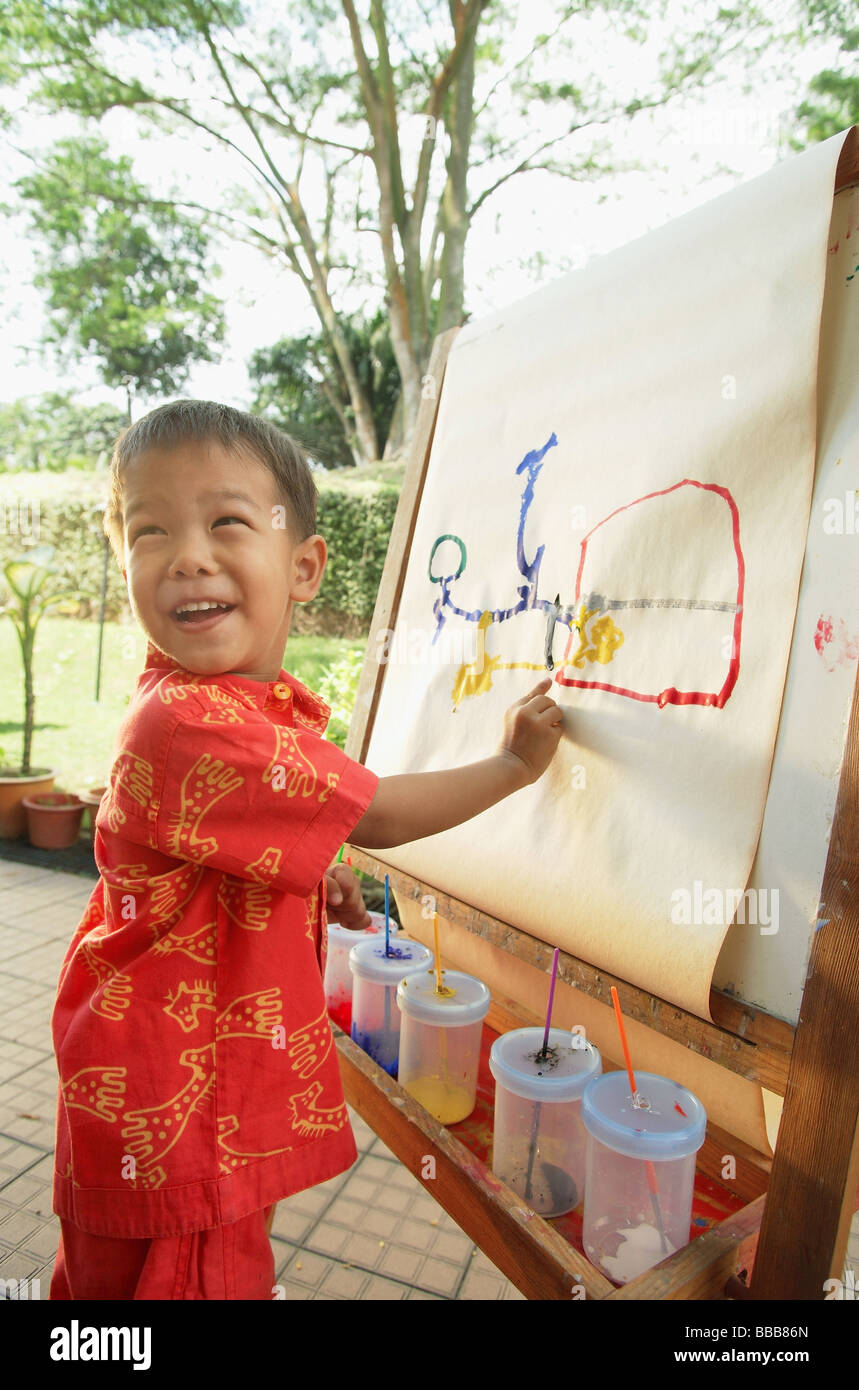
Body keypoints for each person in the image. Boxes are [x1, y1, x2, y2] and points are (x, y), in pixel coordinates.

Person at [49, 399, 564, 1300]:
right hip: (180, 1128)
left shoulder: (228, 708)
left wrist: (306, 881)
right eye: (149, 531)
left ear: (304, 567)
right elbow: (380, 814)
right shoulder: (186, 717)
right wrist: (515, 765)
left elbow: (230, 843)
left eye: (226, 523)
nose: (188, 555)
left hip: (166, 1106)